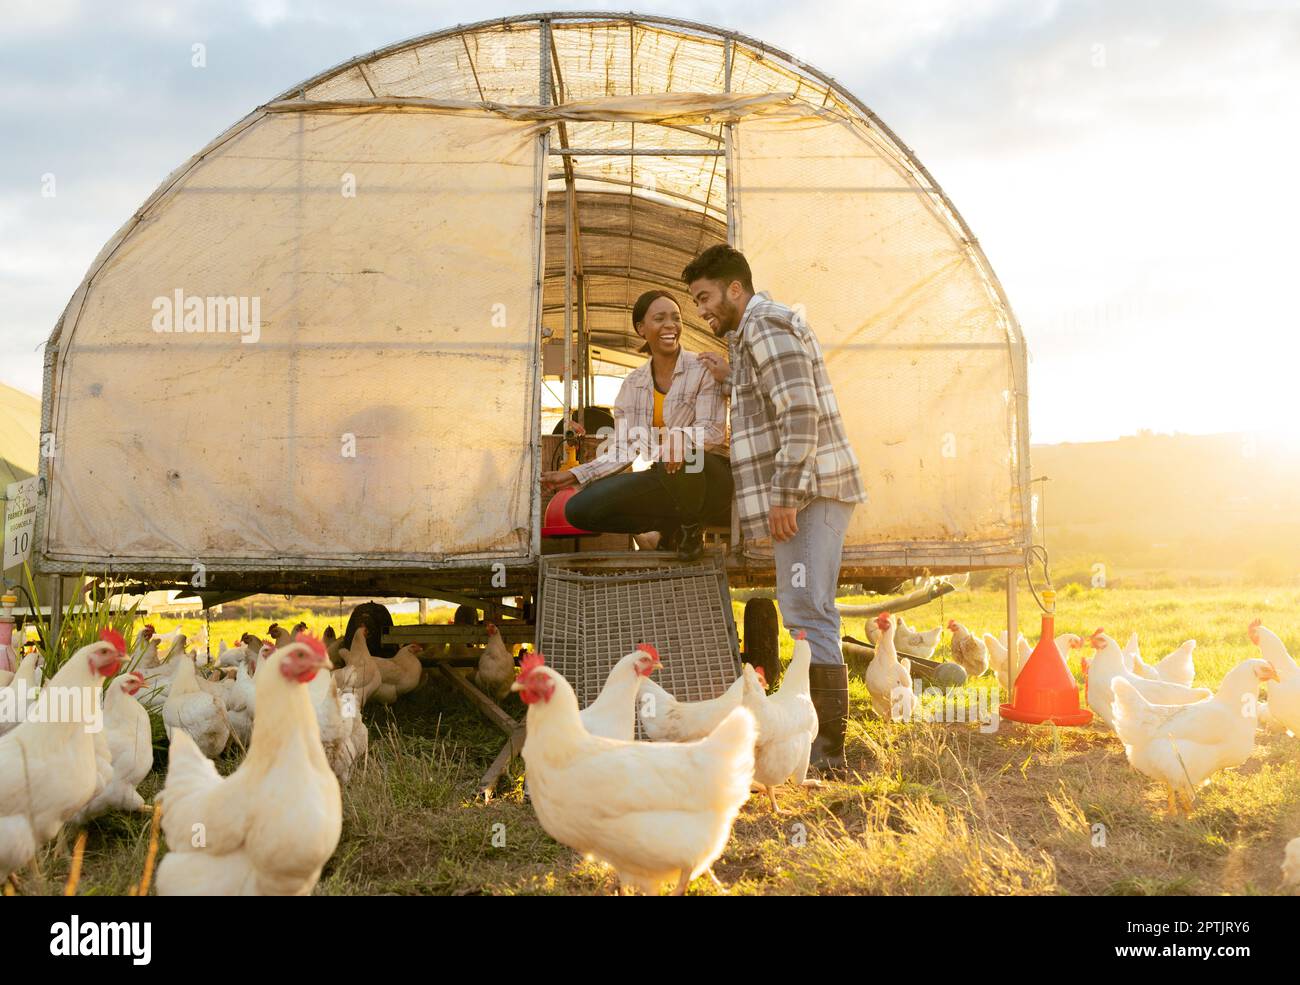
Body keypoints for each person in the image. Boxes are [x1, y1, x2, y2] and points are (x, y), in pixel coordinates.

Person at [683, 244, 867, 773]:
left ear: (735, 289)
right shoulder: (755, 334)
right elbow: (772, 395)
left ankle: (829, 750)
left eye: (705, 298)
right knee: (805, 608)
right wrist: (730, 375)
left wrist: (784, 493)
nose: (702, 311)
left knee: (809, 611)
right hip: (808, 490)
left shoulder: (765, 326)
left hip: (809, 492)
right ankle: (823, 744)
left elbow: (800, 410)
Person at [540, 290, 732, 562]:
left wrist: (679, 437)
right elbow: (623, 449)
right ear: (641, 329)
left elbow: (714, 432)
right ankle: (668, 526)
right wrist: (575, 475)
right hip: (667, 476)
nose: (670, 325)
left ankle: (690, 529)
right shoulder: (633, 384)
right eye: (660, 318)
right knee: (580, 509)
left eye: (676, 318)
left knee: (682, 458)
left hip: (710, 477)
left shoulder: (702, 368)